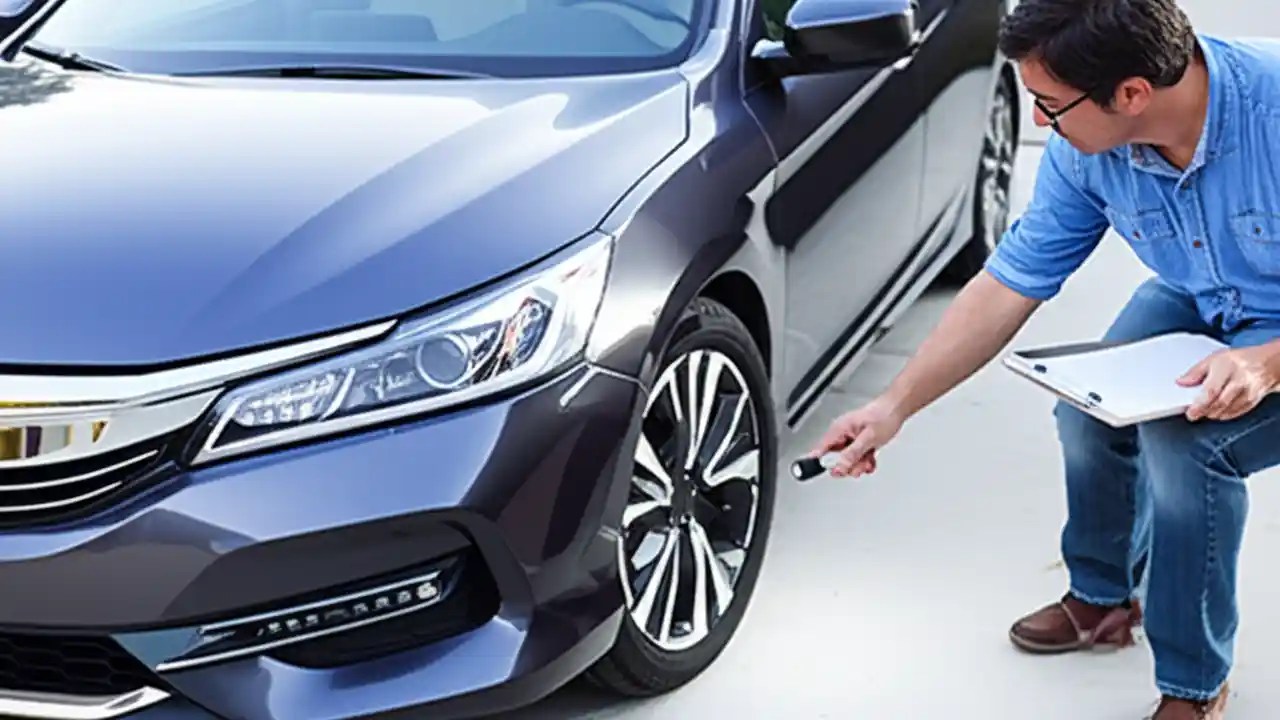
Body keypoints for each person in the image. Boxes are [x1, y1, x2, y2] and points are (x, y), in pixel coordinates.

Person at [811, 1, 1280, 718]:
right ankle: (1102, 598)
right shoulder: (1084, 149)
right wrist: (893, 405)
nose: (1039, 124)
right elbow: (1007, 284)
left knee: (1188, 449)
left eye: (1050, 106)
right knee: (1088, 407)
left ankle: (1193, 683)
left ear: (1131, 94)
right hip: (1204, 290)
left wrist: (1265, 363)